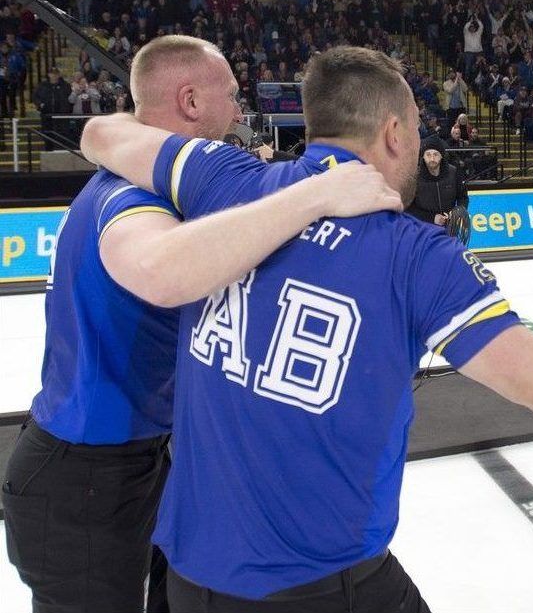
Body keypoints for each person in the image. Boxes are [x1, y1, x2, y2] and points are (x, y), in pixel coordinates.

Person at [80, 45, 533, 611]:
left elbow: (100, 133)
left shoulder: (224, 179)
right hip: (319, 584)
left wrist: (307, 194)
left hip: (186, 577)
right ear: (393, 132)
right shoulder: (414, 254)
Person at [3, 36, 400, 613]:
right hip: (88, 477)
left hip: (133, 462)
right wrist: (314, 196)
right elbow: (161, 269)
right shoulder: (134, 196)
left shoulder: (144, 180)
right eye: (233, 96)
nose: (240, 113)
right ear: (190, 101)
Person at [406, 135, 468, 226]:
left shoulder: (453, 172)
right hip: (423, 229)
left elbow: (463, 197)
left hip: (449, 227)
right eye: (428, 154)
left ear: (441, 156)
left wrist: (456, 214)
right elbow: (409, 208)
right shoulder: (414, 177)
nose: (432, 159)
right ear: (423, 156)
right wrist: (431, 218)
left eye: (435, 154)